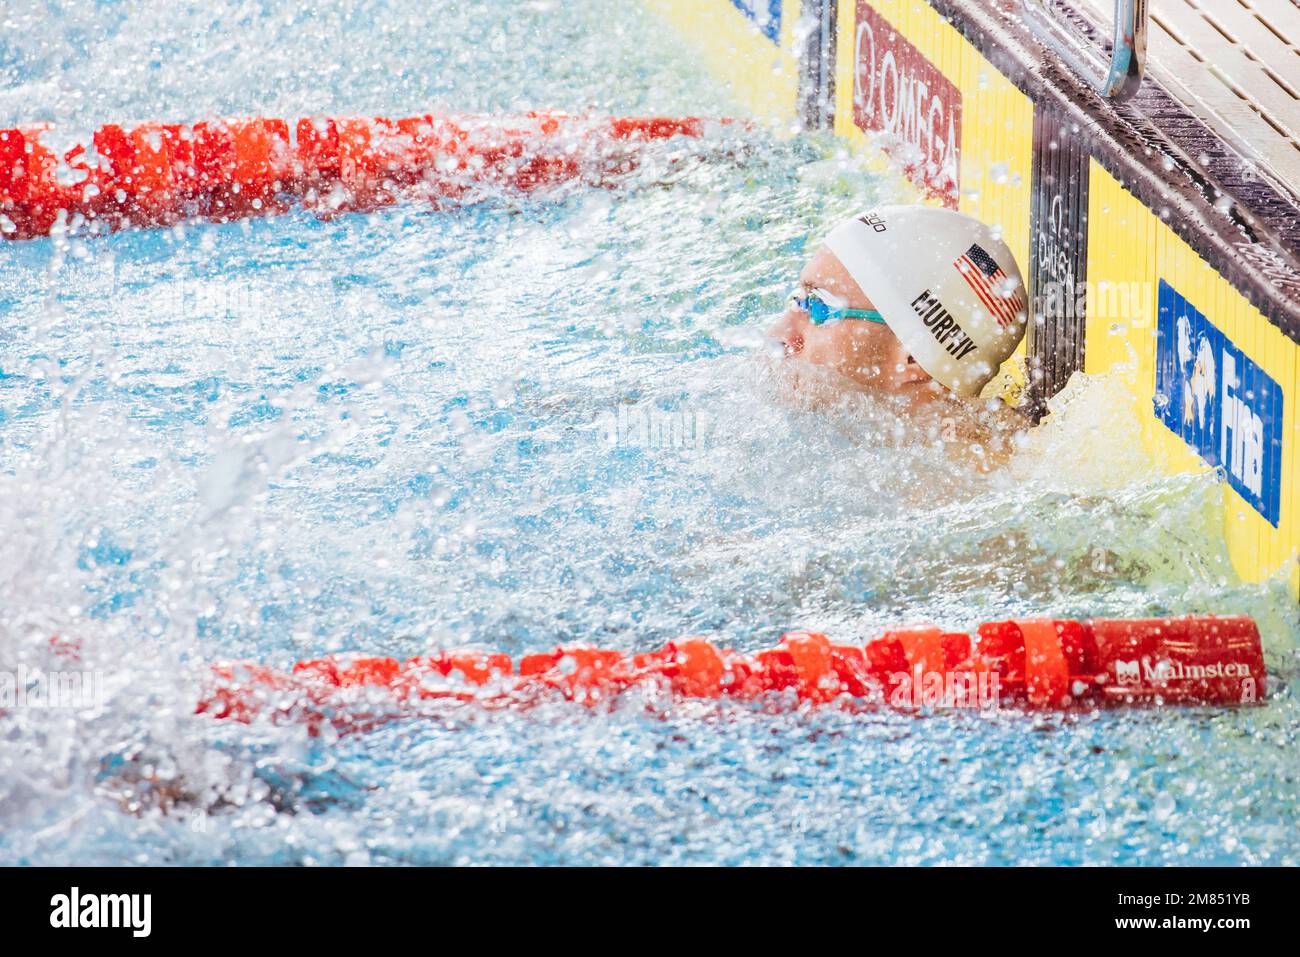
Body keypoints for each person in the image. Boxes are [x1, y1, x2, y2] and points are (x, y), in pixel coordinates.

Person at [765, 205, 1032, 467]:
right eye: (799, 300)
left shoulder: (957, 484)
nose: (778, 334)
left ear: (913, 357)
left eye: (821, 307)